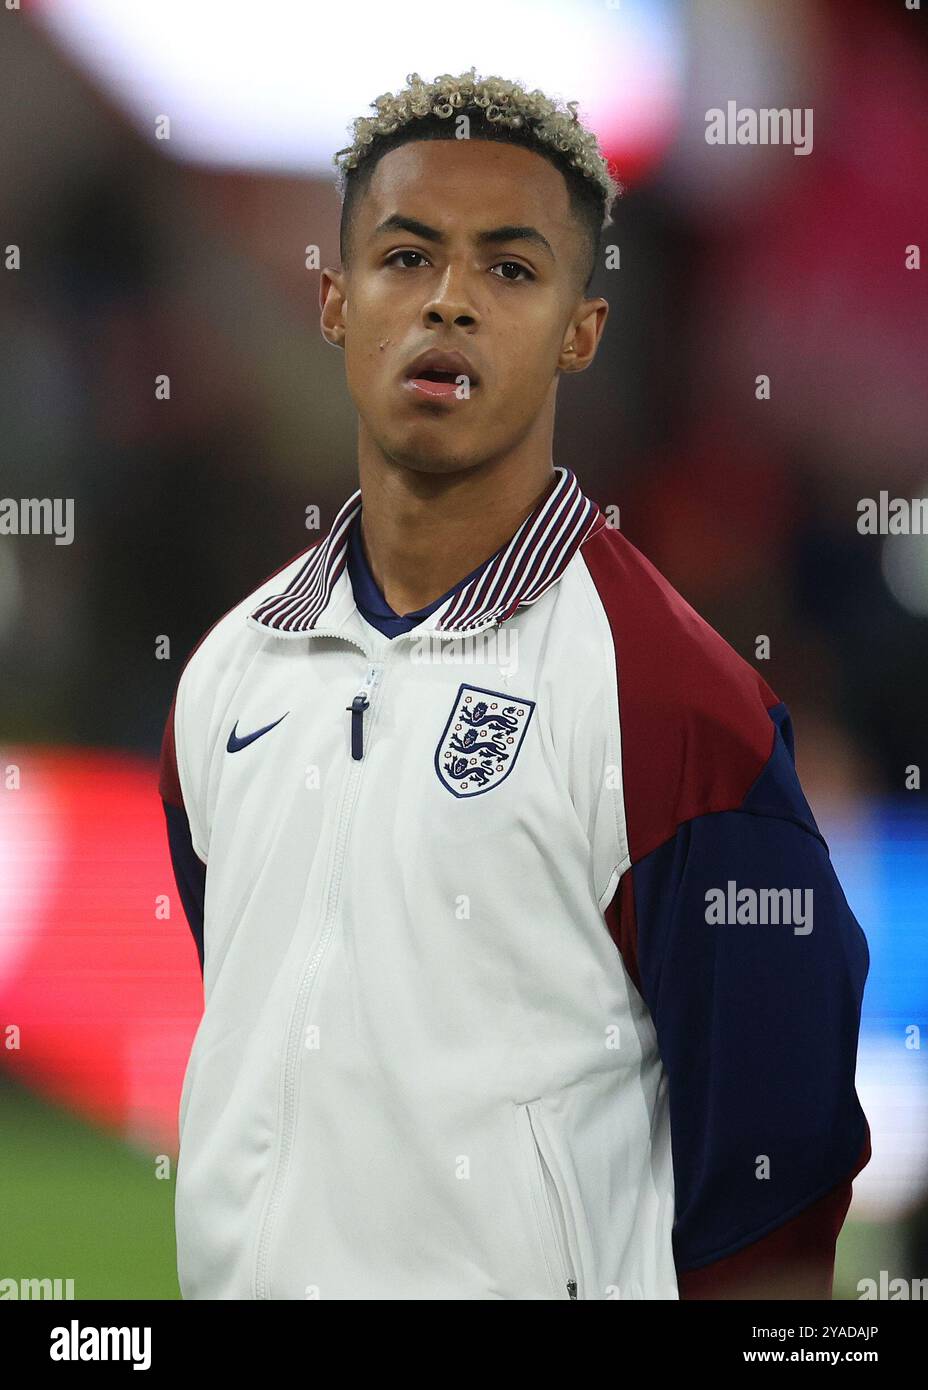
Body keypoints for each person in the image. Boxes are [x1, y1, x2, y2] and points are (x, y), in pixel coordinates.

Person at [159, 68, 870, 1300]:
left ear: (580, 331)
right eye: (404, 257)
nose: (449, 303)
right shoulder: (227, 674)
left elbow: (775, 1210)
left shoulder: (673, 708)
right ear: (333, 302)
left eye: (510, 268)